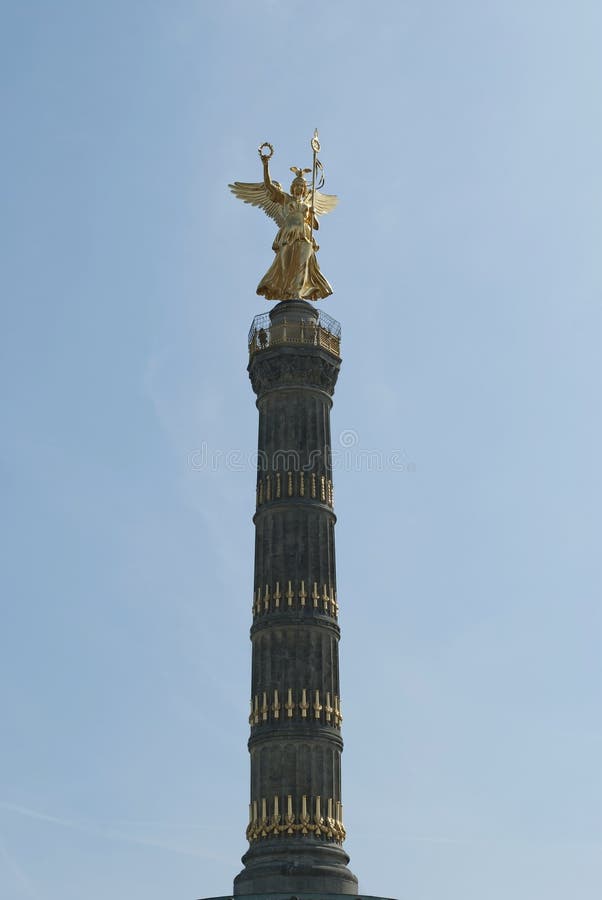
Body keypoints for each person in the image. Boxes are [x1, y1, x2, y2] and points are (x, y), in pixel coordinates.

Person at [229, 148, 338, 301]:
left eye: (301, 186)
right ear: (293, 188)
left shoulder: (308, 204)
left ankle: (297, 293)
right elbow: (268, 186)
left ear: (304, 189)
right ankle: (286, 292)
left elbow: (316, 226)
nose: (299, 188)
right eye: (297, 186)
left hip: (304, 235)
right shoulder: (285, 199)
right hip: (288, 234)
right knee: (285, 267)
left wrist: (312, 213)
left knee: (302, 266)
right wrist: (265, 165)